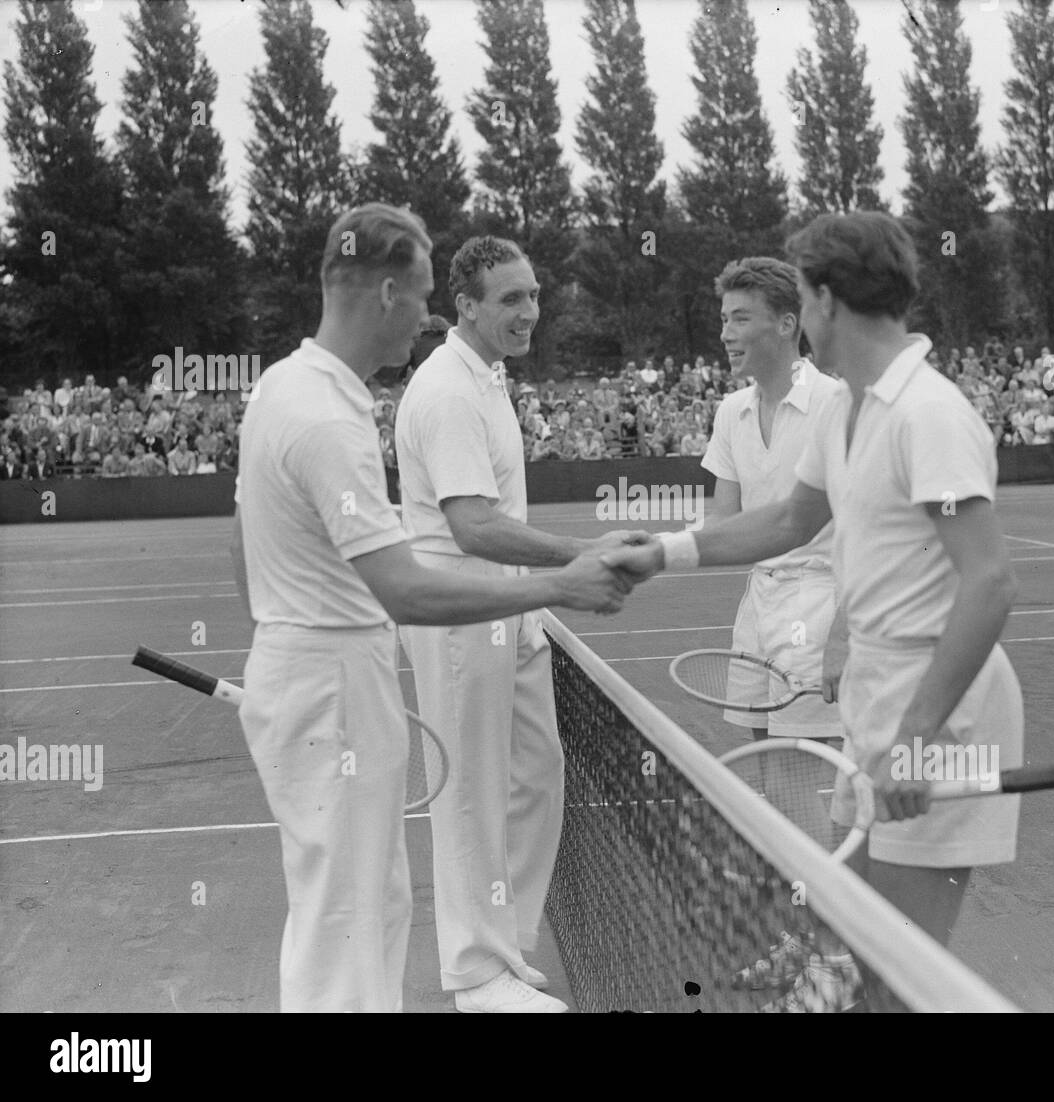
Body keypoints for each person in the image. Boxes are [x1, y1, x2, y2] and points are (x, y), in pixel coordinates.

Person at [604, 210, 1023, 991]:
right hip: (878, 690)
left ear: (826, 301)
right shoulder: (850, 412)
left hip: (942, 709)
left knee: (901, 971)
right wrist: (663, 552)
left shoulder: (929, 415)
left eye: (802, 295)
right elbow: (791, 520)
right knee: (846, 923)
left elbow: (990, 581)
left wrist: (916, 736)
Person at [231, 205, 634, 1014]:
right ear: (385, 292)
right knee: (346, 913)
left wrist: (279, 636)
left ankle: (489, 961)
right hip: (331, 675)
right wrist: (565, 582)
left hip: (324, 665)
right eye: (421, 296)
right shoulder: (323, 415)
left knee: (368, 903)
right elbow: (409, 586)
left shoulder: (293, 387)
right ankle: (478, 971)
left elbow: (238, 538)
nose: (428, 316)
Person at [395, 235, 648, 1013]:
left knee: (536, 773)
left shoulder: (489, 379)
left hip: (512, 612)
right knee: (470, 790)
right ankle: (476, 974)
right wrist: (578, 559)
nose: (529, 311)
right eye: (511, 299)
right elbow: (472, 526)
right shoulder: (446, 391)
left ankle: (505, 947)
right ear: (465, 307)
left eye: (534, 295)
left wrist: (544, 588)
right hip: (462, 616)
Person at [705, 256, 849, 999]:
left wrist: (843, 634)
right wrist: (650, 551)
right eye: (723, 317)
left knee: (802, 790)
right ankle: (802, 941)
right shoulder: (730, 412)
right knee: (772, 788)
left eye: (740, 318)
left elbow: (860, 527)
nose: (725, 332)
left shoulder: (836, 403)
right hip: (757, 611)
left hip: (820, 609)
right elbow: (722, 527)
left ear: (788, 324)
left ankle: (835, 958)